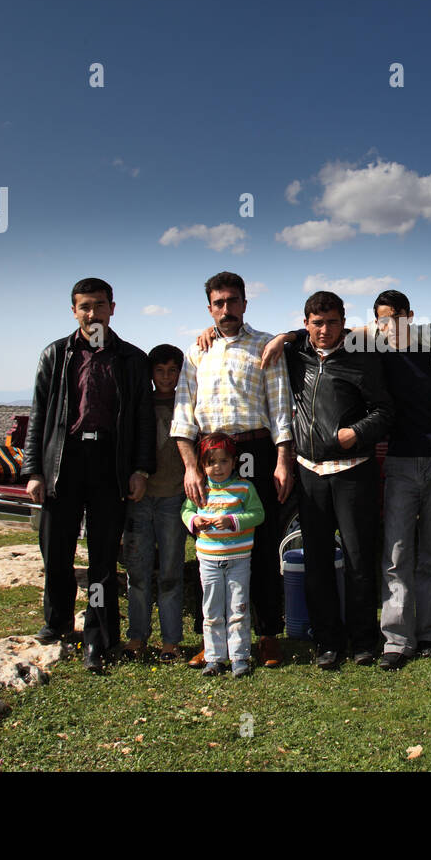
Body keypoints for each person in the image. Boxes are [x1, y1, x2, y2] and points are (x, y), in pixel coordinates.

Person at [22, 277, 155, 673]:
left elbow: (144, 421)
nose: (92, 313)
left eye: (99, 305)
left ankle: (99, 638)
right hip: (63, 462)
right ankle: (57, 621)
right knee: (57, 551)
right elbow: (38, 418)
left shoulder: (132, 359)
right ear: (74, 310)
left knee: (101, 559)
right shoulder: (55, 355)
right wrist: (34, 470)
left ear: (113, 307)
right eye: (85, 306)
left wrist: (140, 469)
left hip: (109, 464)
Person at [171, 272, 294, 670]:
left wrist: (281, 460)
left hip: (255, 449)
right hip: (210, 453)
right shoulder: (196, 351)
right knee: (211, 542)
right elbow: (183, 414)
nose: (226, 309)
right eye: (219, 303)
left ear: (245, 303)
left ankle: (267, 635)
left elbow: (280, 409)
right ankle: (213, 638)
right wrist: (191, 468)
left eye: (233, 301)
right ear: (209, 308)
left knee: (259, 539)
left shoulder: (266, 345)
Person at [283, 291, 393, 669]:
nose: (325, 330)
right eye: (317, 323)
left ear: (344, 321)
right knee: (317, 561)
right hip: (309, 472)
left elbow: (384, 411)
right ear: (306, 324)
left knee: (359, 557)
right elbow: (276, 339)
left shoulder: (362, 359)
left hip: (352, 471)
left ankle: (363, 639)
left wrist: (356, 433)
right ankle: (327, 641)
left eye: (332, 322)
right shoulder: (295, 355)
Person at [370, 291, 431, 670]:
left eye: (398, 317)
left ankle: (430, 630)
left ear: (410, 316)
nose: (391, 325)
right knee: (397, 553)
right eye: (384, 319)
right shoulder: (374, 354)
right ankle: (397, 638)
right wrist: (284, 337)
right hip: (401, 461)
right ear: (376, 322)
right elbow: (326, 333)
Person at [121, 344, 187, 663]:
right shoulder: (138, 404)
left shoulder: (188, 404)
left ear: (180, 373)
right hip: (140, 499)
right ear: (150, 373)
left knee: (171, 572)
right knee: (137, 572)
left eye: (172, 371)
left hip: (173, 498)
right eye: (159, 371)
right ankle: (137, 636)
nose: (165, 377)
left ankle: (171, 641)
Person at [183, 433, 265, 677]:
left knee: (238, 608)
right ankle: (214, 658)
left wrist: (232, 521)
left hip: (238, 560)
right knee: (212, 610)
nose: (217, 468)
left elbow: (258, 514)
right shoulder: (200, 488)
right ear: (202, 465)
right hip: (208, 560)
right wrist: (196, 521)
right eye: (210, 462)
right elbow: (186, 511)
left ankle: (240, 657)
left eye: (223, 461)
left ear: (233, 462)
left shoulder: (244, 488)